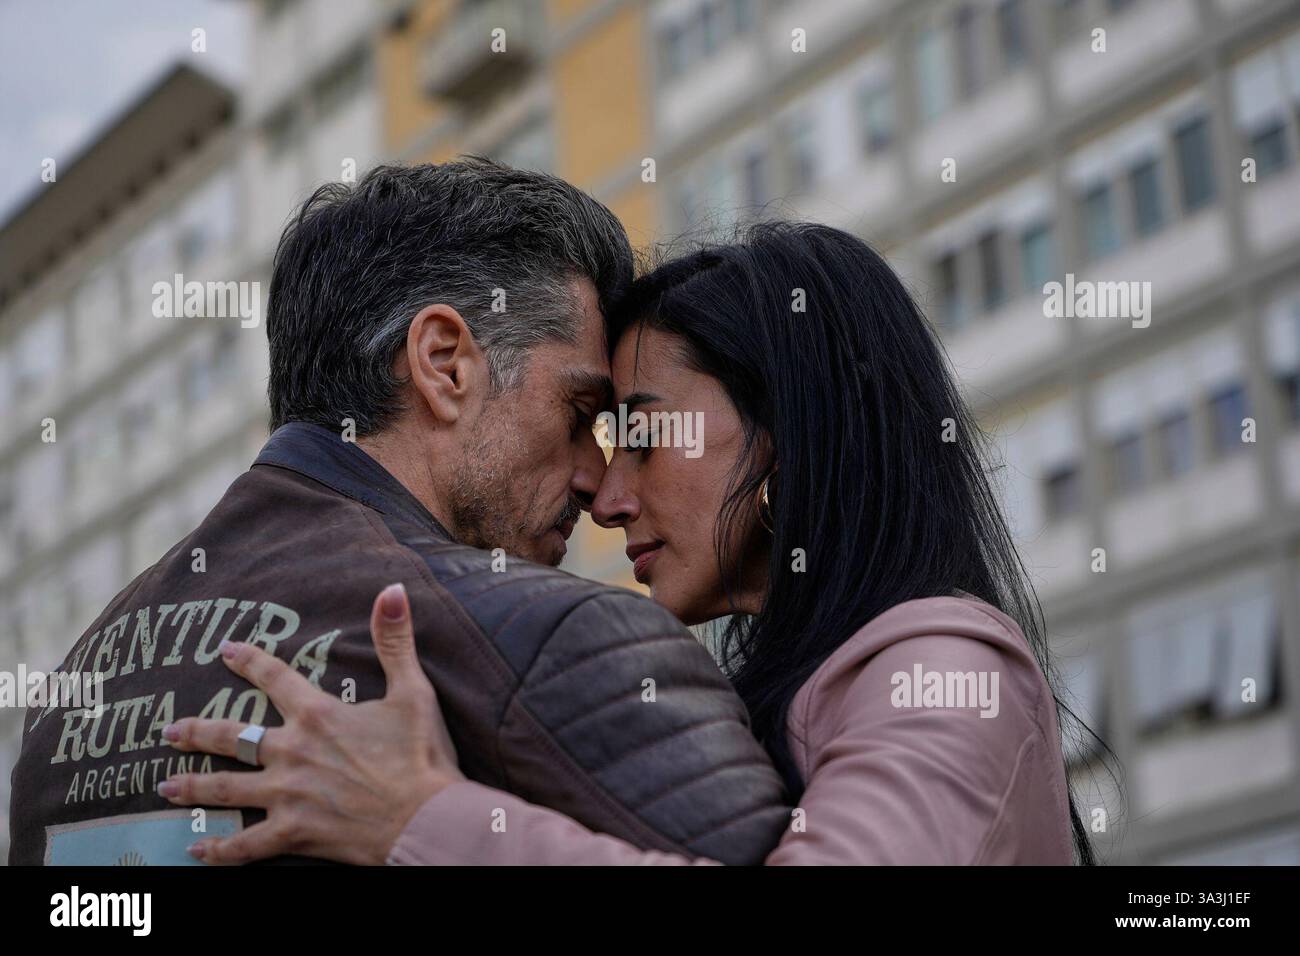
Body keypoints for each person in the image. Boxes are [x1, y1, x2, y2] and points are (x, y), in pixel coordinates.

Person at [161, 222, 1105, 865]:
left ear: (791, 428)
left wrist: (423, 820)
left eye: (642, 434)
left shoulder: (945, 663)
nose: (608, 498)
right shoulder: (802, 681)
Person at [7, 161, 790, 866]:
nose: (597, 477)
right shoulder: (554, 639)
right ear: (445, 364)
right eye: (579, 408)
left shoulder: (74, 691)